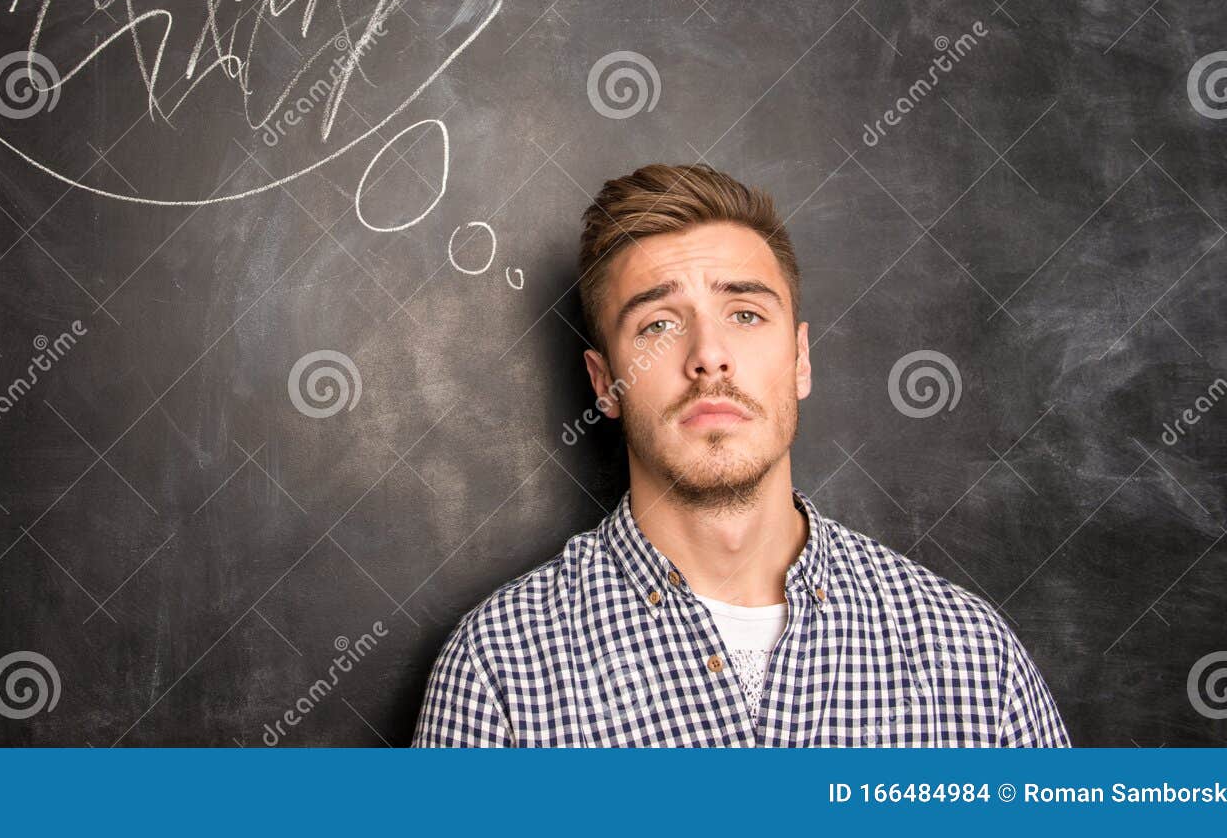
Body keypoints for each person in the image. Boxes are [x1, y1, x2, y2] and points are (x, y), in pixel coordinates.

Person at [411, 162, 1070, 747]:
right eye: (658, 325)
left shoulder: (972, 661)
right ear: (603, 382)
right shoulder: (499, 675)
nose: (708, 355)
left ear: (800, 357)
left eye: (746, 314)